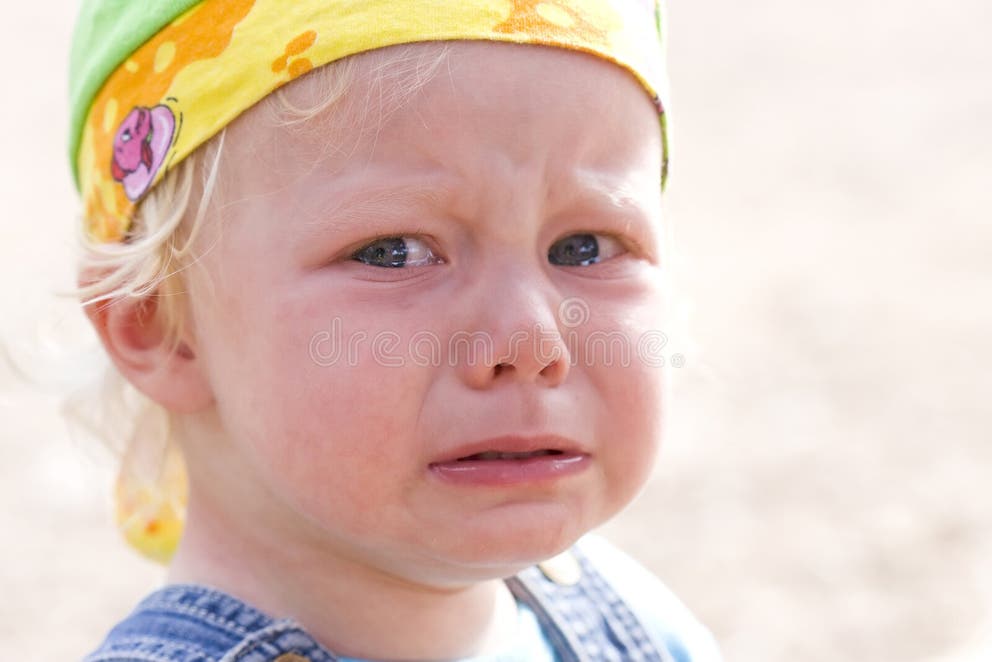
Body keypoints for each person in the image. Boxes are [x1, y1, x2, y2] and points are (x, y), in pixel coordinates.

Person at [68, 1, 722, 660]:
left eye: (585, 246)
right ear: (158, 325)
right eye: (395, 252)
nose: (531, 344)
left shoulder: (631, 622)